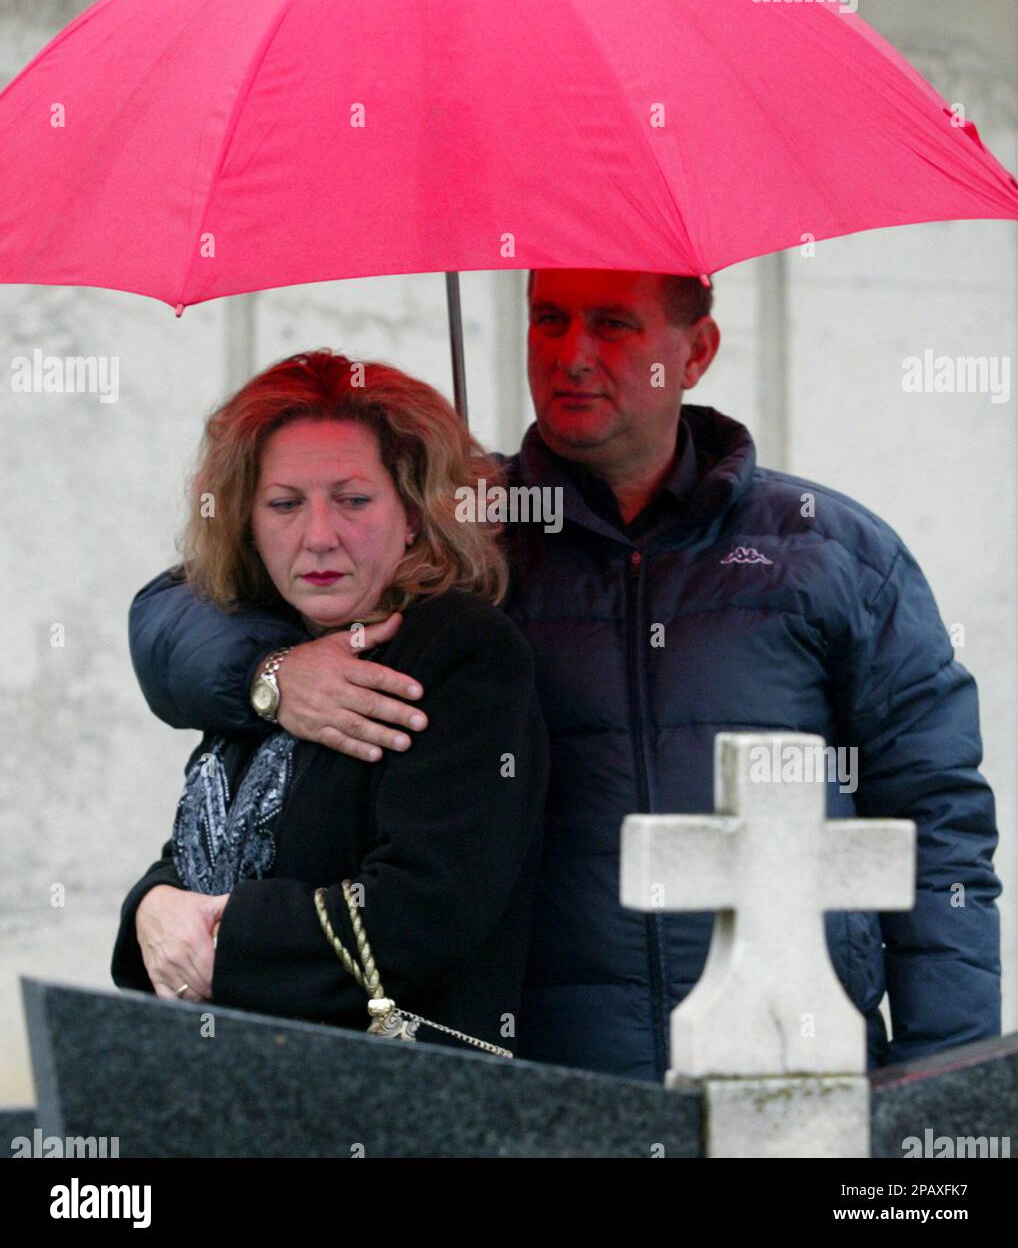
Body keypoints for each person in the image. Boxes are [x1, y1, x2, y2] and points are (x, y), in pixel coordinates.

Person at [126, 271, 1002, 1082]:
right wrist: (272, 674)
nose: (571, 353)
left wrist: (941, 1082)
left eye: (612, 324)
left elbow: (935, 812)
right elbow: (176, 612)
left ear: (696, 350)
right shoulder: (459, 535)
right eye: (549, 319)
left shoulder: (826, 551)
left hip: (784, 1058)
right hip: (547, 1082)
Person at [112, 350, 549, 1058]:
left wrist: (223, 942)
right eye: (284, 504)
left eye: (352, 499)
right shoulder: (269, 646)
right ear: (246, 522)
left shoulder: (462, 651)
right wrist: (152, 909)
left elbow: (428, 908)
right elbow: (215, 849)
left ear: (413, 513)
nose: (318, 536)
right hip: (226, 1094)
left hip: (394, 1108)